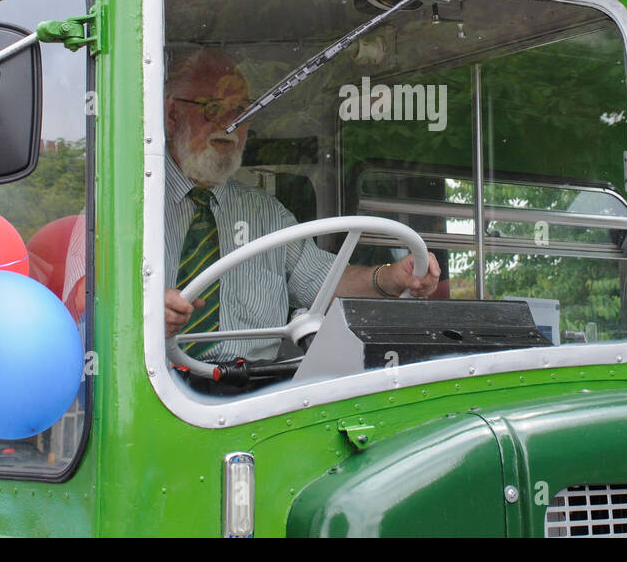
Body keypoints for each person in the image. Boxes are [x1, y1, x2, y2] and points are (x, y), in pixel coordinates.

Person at [163, 48, 440, 388]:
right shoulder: (128, 207)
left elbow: (325, 282)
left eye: (241, 110)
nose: (229, 125)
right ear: (172, 114)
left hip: (257, 391)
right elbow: (84, 300)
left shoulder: (266, 212)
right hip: (157, 387)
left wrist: (390, 277)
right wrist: (142, 318)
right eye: (213, 108)